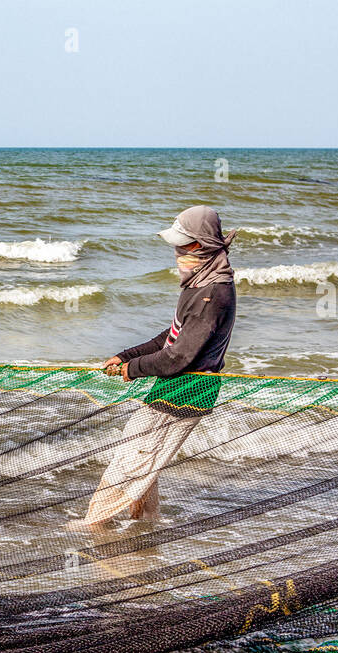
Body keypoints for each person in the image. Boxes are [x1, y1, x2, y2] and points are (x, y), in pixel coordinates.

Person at [77, 205, 237, 527]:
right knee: (142, 456)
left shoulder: (213, 293)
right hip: (173, 384)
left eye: (184, 245)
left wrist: (132, 370)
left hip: (190, 388)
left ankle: (91, 527)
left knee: (132, 460)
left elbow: (179, 356)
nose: (177, 252)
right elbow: (172, 337)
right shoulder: (199, 284)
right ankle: (146, 521)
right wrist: (127, 355)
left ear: (202, 246)